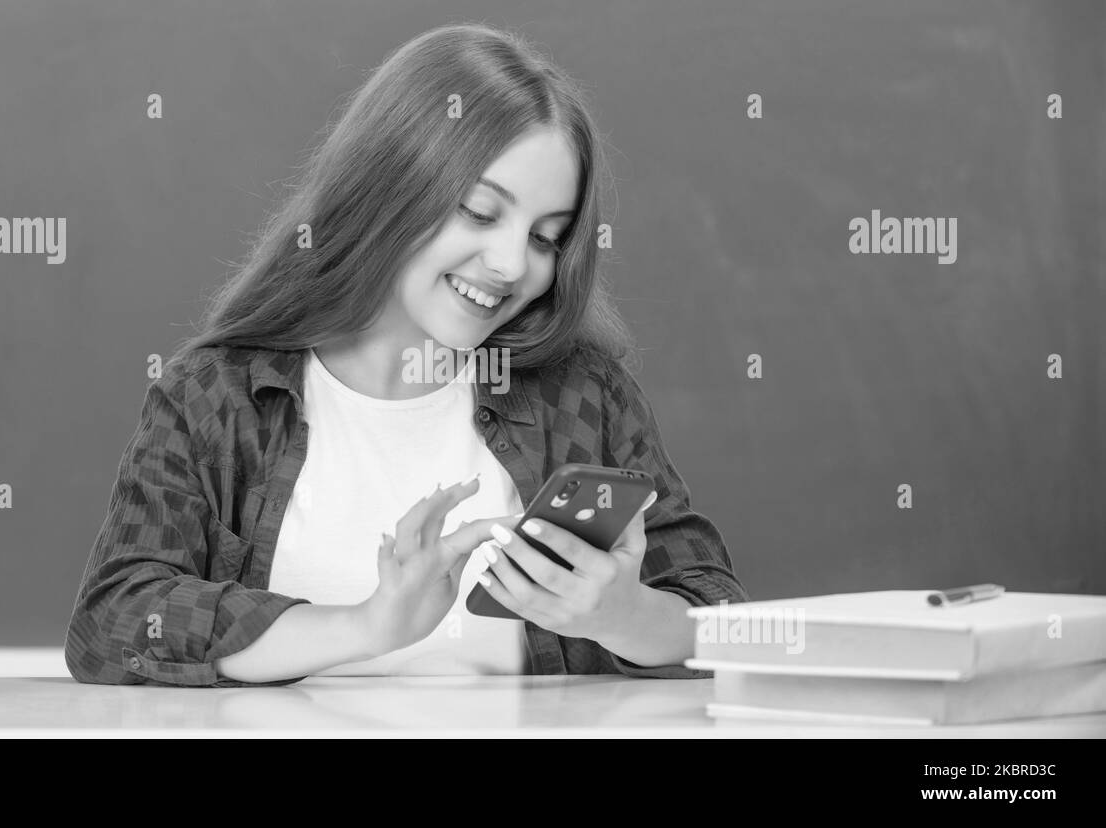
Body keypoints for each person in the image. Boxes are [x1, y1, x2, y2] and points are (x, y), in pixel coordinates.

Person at [64, 22, 748, 688]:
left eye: (547, 237)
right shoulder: (218, 397)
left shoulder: (585, 397)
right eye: (481, 213)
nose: (512, 264)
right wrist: (366, 626)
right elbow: (113, 622)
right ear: (388, 189)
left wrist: (624, 617)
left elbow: (720, 617)